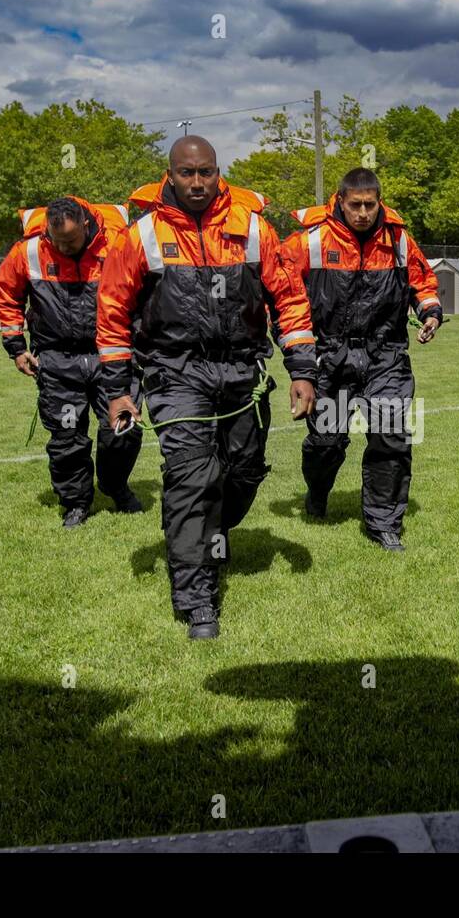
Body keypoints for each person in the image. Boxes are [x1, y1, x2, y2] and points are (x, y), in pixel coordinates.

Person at [97, 136, 317, 640]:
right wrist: (117, 389)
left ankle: (206, 532)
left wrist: (303, 370)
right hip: (176, 374)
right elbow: (112, 315)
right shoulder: (142, 236)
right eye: (186, 173)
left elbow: (290, 300)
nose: (197, 182)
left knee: (243, 472)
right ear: (168, 176)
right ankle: (197, 598)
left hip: (243, 371)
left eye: (206, 172)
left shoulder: (254, 229)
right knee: (192, 479)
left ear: (220, 173)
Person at [280, 167, 442, 551]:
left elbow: (422, 282)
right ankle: (317, 490)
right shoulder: (309, 242)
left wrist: (431, 312)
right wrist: (299, 353)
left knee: (391, 437)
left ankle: (384, 524)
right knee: (326, 442)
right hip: (330, 357)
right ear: (340, 200)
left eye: (371, 204)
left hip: (385, 354)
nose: (364, 212)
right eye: (356, 205)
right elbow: (283, 295)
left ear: (379, 202)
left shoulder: (398, 240)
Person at [0, 196, 143, 527]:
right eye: (56, 240)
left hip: (112, 356)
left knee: (122, 430)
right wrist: (16, 347)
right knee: (67, 437)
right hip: (57, 360)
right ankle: (76, 502)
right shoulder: (29, 251)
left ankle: (114, 485)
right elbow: (8, 294)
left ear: (87, 226)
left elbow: (141, 290)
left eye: (71, 241)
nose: (62, 247)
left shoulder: (117, 246)